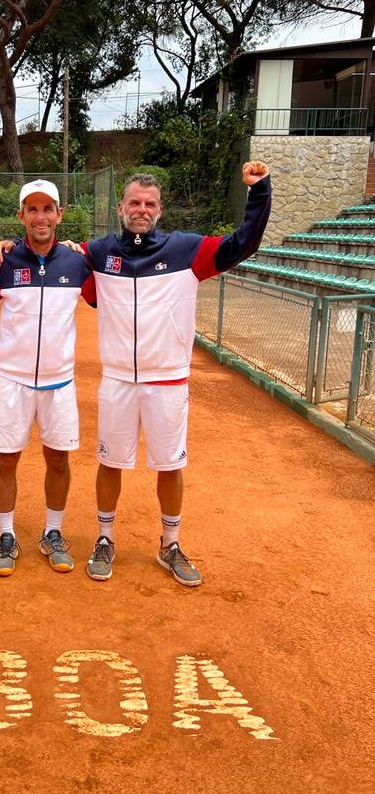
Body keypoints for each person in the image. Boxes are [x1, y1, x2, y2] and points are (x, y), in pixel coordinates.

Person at [80, 162, 271, 585]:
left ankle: (169, 544)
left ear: (160, 210)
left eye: (149, 204)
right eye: (134, 202)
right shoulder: (98, 253)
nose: (141, 209)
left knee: (169, 465)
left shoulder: (186, 250)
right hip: (118, 380)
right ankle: (106, 538)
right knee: (110, 462)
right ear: (121, 207)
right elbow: (54, 259)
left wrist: (259, 192)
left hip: (167, 380)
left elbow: (245, 242)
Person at [0, 180, 94, 576]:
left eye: (48, 208)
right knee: (6, 460)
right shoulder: (3, 261)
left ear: (60, 214)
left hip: (59, 382)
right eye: (32, 209)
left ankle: (52, 532)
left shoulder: (79, 262)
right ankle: (7, 535)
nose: (40, 216)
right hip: (12, 381)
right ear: (21, 217)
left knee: (58, 461)